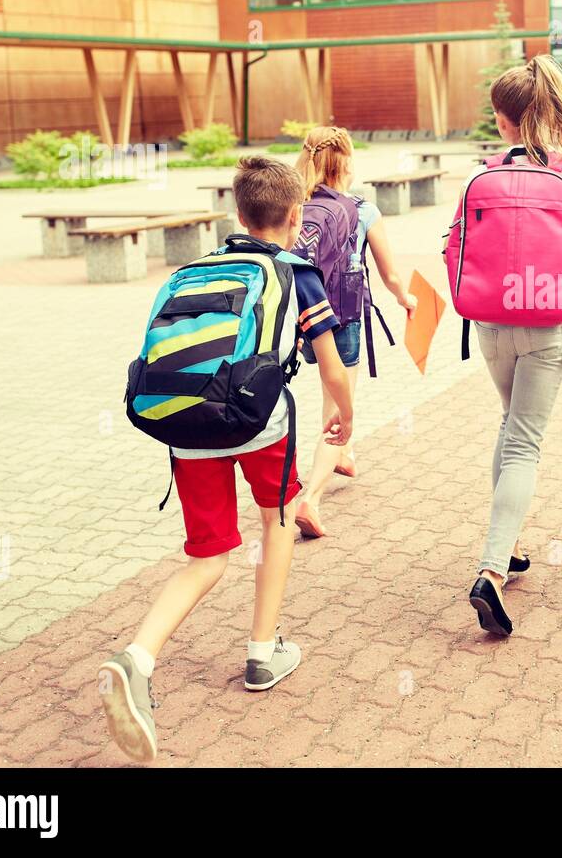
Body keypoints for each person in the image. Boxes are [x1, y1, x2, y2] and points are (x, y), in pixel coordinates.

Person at [98, 156, 354, 763]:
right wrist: (344, 417)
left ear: (237, 214)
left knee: (208, 555)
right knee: (280, 518)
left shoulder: (194, 270)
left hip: (188, 429)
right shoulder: (297, 272)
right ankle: (263, 653)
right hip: (259, 424)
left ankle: (135, 658)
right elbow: (333, 367)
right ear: (295, 217)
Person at [464, 54, 562, 636]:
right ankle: (492, 571)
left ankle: (512, 542)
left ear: (503, 120)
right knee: (524, 441)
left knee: (508, 425)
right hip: (546, 320)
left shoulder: (485, 172)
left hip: (489, 321)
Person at [291, 125, 416, 538]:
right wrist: (406, 300)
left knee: (328, 395)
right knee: (338, 410)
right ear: (346, 162)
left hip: (298, 321)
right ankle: (311, 498)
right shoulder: (362, 209)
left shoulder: (293, 206)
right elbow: (391, 274)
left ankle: (342, 456)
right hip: (341, 319)